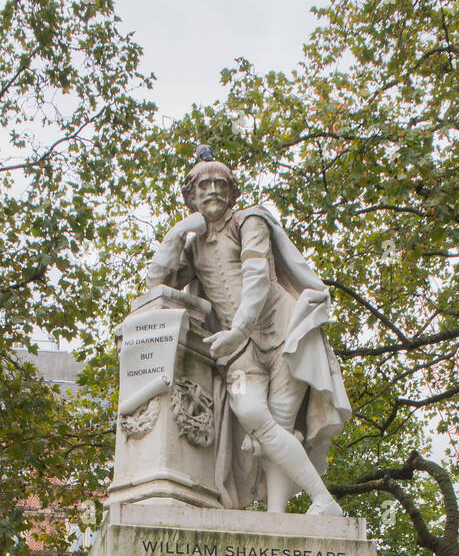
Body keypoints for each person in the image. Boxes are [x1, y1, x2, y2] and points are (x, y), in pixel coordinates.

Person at [146, 145, 351, 516]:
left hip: (286, 335)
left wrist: (238, 331)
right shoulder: (192, 249)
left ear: (232, 192)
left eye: (220, 184)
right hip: (240, 352)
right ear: (191, 196)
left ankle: (282, 518)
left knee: (280, 423)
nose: (212, 191)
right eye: (203, 185)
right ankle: (323, 498)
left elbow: (257, 279)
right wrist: (176, 234)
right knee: (253, 413)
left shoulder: (250, 221)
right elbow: (157, 284)